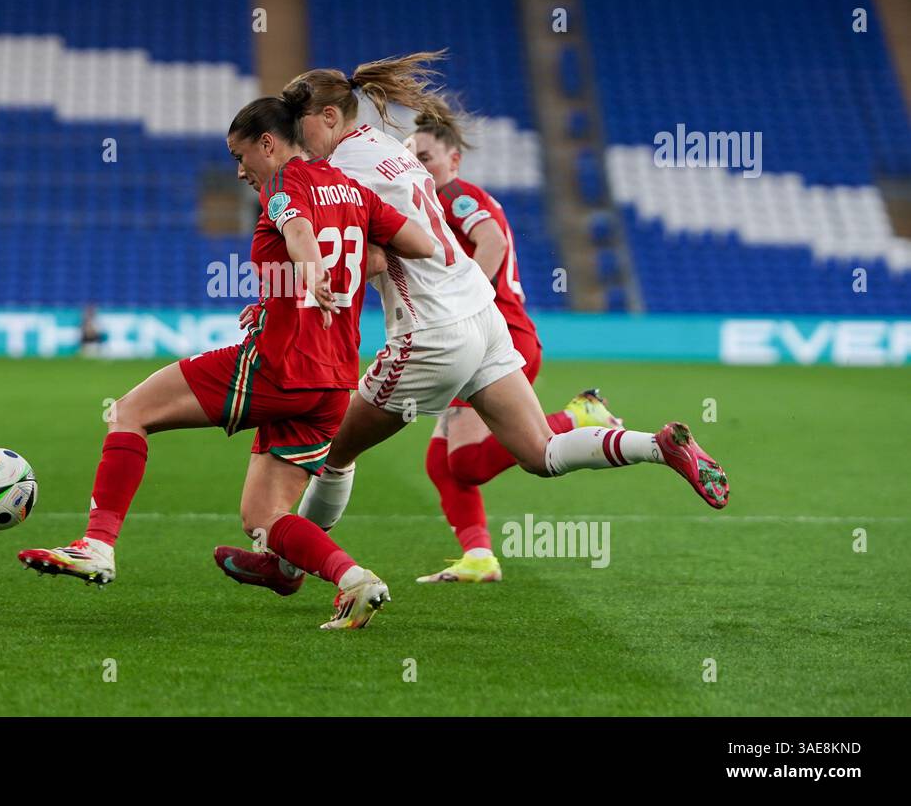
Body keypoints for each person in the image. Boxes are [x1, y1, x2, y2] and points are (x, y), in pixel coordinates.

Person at [215, 53, 729, 598]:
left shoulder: (339, 171)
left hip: (430, 332)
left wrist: (287, 297)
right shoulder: (395, 152)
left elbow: (370, 258)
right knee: (540, 453)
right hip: (482, 315)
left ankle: (286, 566)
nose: (301, 140)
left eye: (304, 127)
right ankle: (658, 446)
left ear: (327, 117)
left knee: (332, 451)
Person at [19, 95, 435, 629]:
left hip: (278, 366)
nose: (240, 171)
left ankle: (97, 544)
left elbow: (301, 233)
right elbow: (420, 243)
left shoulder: (284, 184)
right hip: (333, 381)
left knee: (128, 412)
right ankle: (356, 581)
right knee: (264, 518)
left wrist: (308, 271)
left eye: (242, 156)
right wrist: (304, 280)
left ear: (269, 143)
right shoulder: (355, 192)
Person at [407, 109, 619, 583]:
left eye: (426, 158)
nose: (418, 167)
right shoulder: (433, 203)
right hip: (480, 336)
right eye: (410, 159)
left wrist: (463, 301)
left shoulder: (455, 196)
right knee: (442, 464)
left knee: (466, 462)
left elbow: (492, 244)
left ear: (453, 160)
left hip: (494, 336)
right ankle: (479, 557)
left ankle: (579, 416)